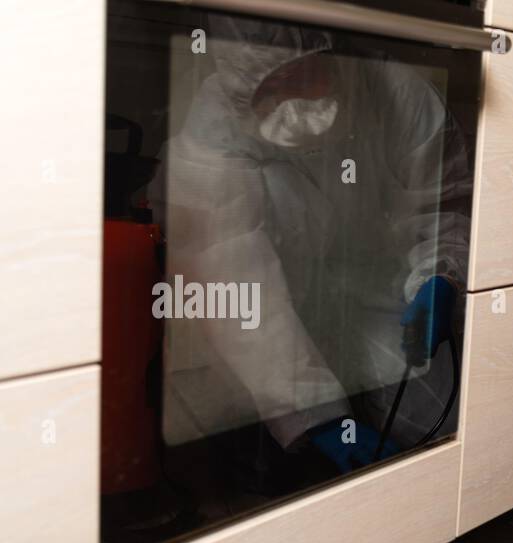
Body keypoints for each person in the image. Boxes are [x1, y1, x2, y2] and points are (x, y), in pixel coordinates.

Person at [153, 15, 470, 475]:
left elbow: (443, 205)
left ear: (327, 52)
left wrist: (440, 274)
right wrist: (312, 413)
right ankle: (274, 434)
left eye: (303, 75)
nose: (294, 102)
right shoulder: (212, 134)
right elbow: (230, 271)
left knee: (452, 423)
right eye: (273, 86)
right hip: (281, 294)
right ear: (242, 86)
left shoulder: (399, 95)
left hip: (377, 286)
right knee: (272, 435)